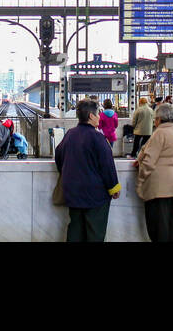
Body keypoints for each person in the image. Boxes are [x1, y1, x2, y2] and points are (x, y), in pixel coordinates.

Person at [54, 99, 120, 242]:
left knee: (75, 231)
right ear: (91, 116)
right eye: (98, 114)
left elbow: (58, 156)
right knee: (95, 232)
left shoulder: (70, 134)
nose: (99, 117)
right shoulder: (98, 138)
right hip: (95, 195)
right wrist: (114, 187)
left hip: (73, 192)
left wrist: (67, 174)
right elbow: (107, 166)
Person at [136, 102, 173, 242]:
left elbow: (149, 161)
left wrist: (140, 183)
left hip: (160, 187)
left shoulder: (160, 133)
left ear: (159, 118)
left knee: (158, 229)